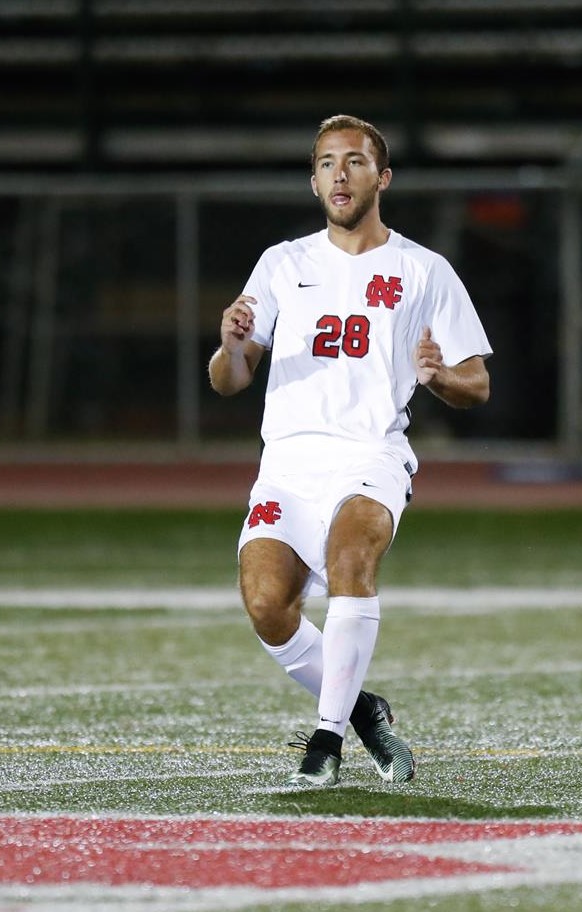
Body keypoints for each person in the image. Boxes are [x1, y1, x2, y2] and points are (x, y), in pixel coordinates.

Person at [208, 114, 493, 787]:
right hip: (287, 460)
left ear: (382, 177)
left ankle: (325, 742)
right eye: (328, 162)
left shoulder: (424, 270)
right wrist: (230, 344)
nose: (341, 172)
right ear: (314, 181)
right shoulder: (283, 263)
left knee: (349, 561)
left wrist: (440, 376)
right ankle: (363, 711)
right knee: (266, 605)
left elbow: (476, 383)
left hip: (371, 453)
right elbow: (230, 380)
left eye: (356, 161)